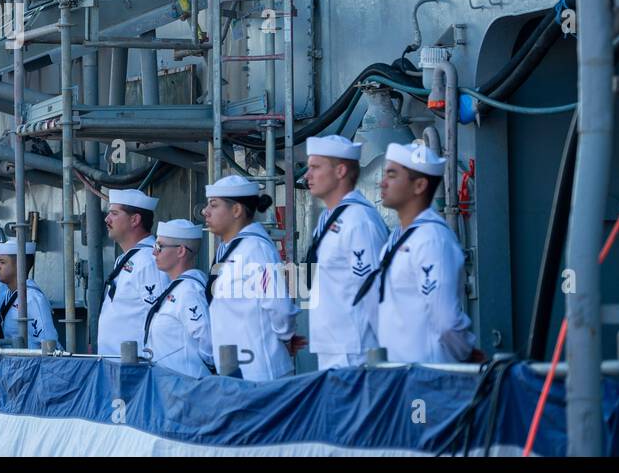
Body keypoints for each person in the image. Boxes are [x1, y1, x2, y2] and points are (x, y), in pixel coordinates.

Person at [364, 141, 482, 364]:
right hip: (400, 373)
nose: (382, 183)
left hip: (428, 374)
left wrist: (465, 354)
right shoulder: (396, 240)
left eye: (391, 175)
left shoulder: (432, 240)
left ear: (419, 186)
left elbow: (445, 320)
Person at [303, 134, 390, 369]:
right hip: (333, 347)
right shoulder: (328, 219)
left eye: (315, 167)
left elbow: (373, 291)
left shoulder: (359, 221)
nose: (307, 176)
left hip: (356, 350)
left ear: (341, 171)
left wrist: (386, 353)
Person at [202, 174, 301, 381]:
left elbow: (279, 306)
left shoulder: (255, 249)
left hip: (259, 371)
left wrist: (284, 337)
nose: (205, 211)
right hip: (234, 370)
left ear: (236, 210)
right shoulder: (227, 250)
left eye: (213, 205)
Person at [97, 188, 169, 357]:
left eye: (114, 213)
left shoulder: (150, 260)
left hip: (137, 368)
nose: (107, 219)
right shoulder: (127, 258)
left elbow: (158, 319)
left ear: (135, 219)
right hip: (118, 366)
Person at [143, 219, 214, 378]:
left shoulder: (189, 290)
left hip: (186, 387)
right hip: (170, 385)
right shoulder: (177, 288)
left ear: (181, 251)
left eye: (159, 246)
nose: (154, 252)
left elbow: (208, 343)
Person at [0, 238, 59, 348]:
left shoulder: (32, 298)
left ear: (19, 265)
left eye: (2, 262)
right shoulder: (8, 295)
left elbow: (48, 341)